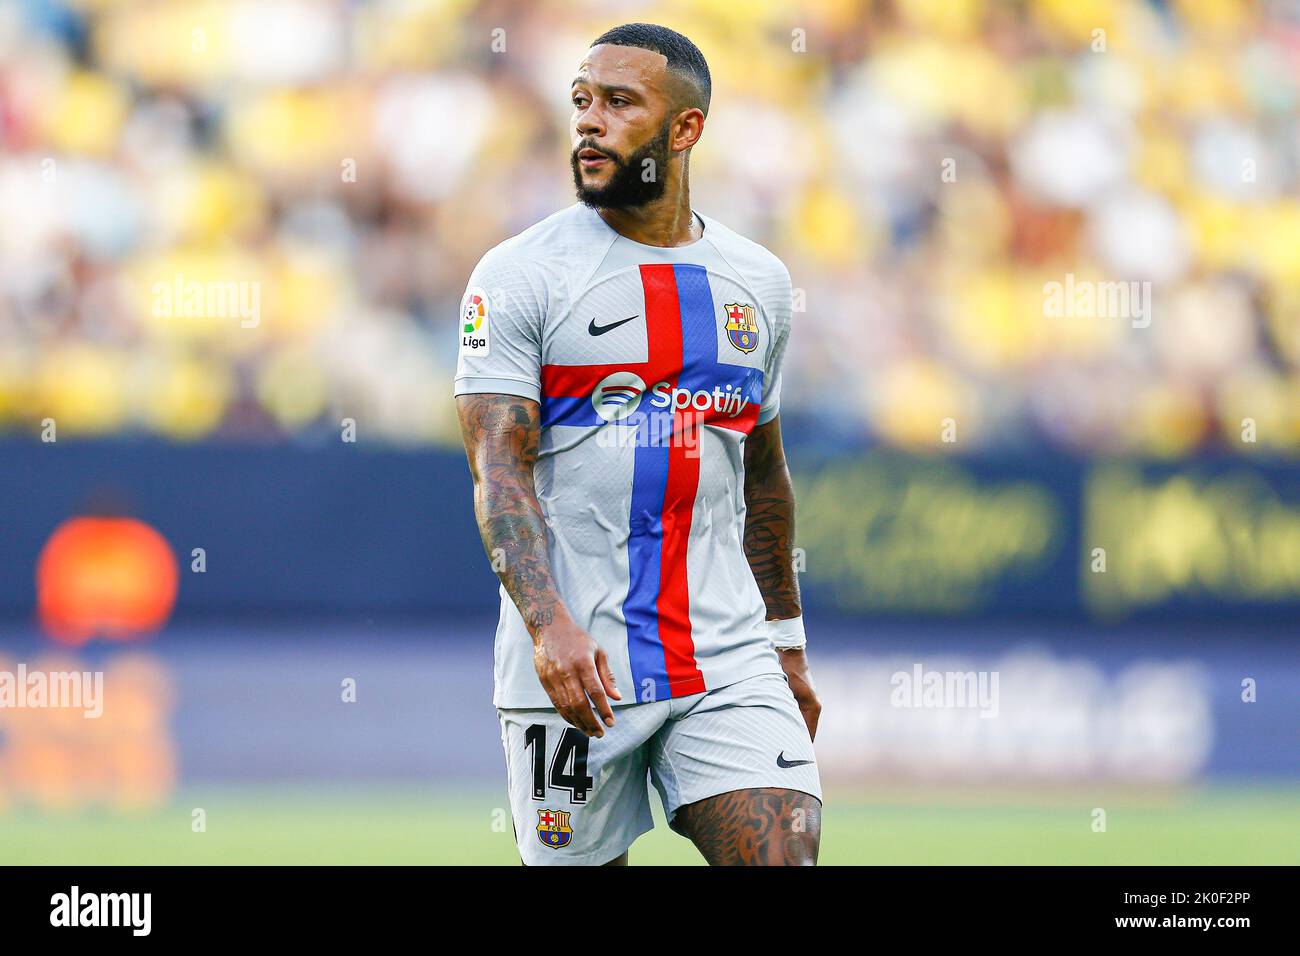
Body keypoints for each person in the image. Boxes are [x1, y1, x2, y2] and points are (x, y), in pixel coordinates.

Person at [455, 22, 820, 866]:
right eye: (581, 101)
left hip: (724, 658)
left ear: (684, 130)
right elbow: (497, 469)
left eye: (619, 103)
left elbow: (763, 475)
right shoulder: (519, 276)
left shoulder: (757, 282)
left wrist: (786, 643)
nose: (589, 121)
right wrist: (549, 625)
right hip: (575, 674)